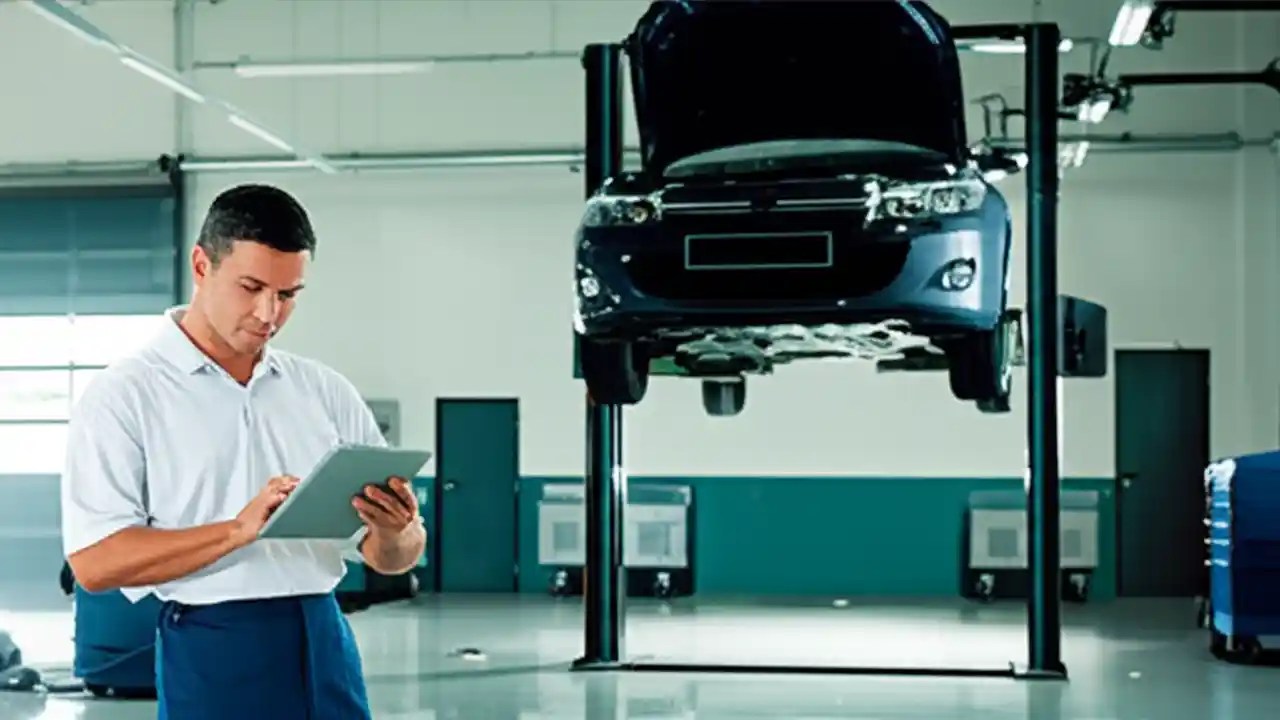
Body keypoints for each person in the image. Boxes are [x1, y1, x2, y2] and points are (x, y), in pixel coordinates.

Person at [60, 183, 426, 720]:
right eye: (251, 286)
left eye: (288, 294)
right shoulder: (126, 396)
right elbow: (94, 564)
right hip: (213, 644)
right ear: (202, 265)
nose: (268, 313)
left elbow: (390, 558)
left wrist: (398, 531)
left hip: (324, 637)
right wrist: (237, 530)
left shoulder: (324, 391)